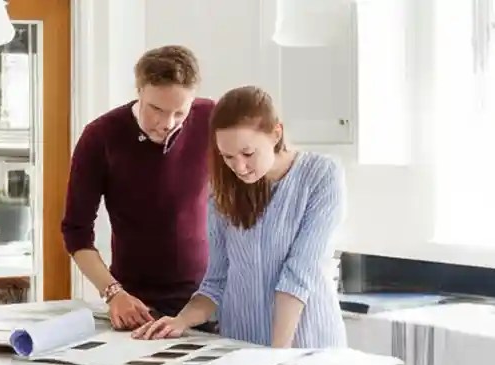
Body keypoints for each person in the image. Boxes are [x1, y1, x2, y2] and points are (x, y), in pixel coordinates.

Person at [133, 86, 347, 349]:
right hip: (241, 345)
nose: (239, 167)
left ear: (276, 134)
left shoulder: (322, 175)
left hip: (308, 346)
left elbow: (299, 274)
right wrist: (180, 321)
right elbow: (216, 281)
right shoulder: (223, 191)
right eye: (228, 157)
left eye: (248, 154)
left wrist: (277, 355)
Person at [61, 46, 216, 331]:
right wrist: (113, 293)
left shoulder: (211, 119)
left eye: (180, 112)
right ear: (139, 90)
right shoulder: (100, 137)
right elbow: (76, 232)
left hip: (206, 303)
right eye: (156, 109)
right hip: (136, 306)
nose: (167, 124)